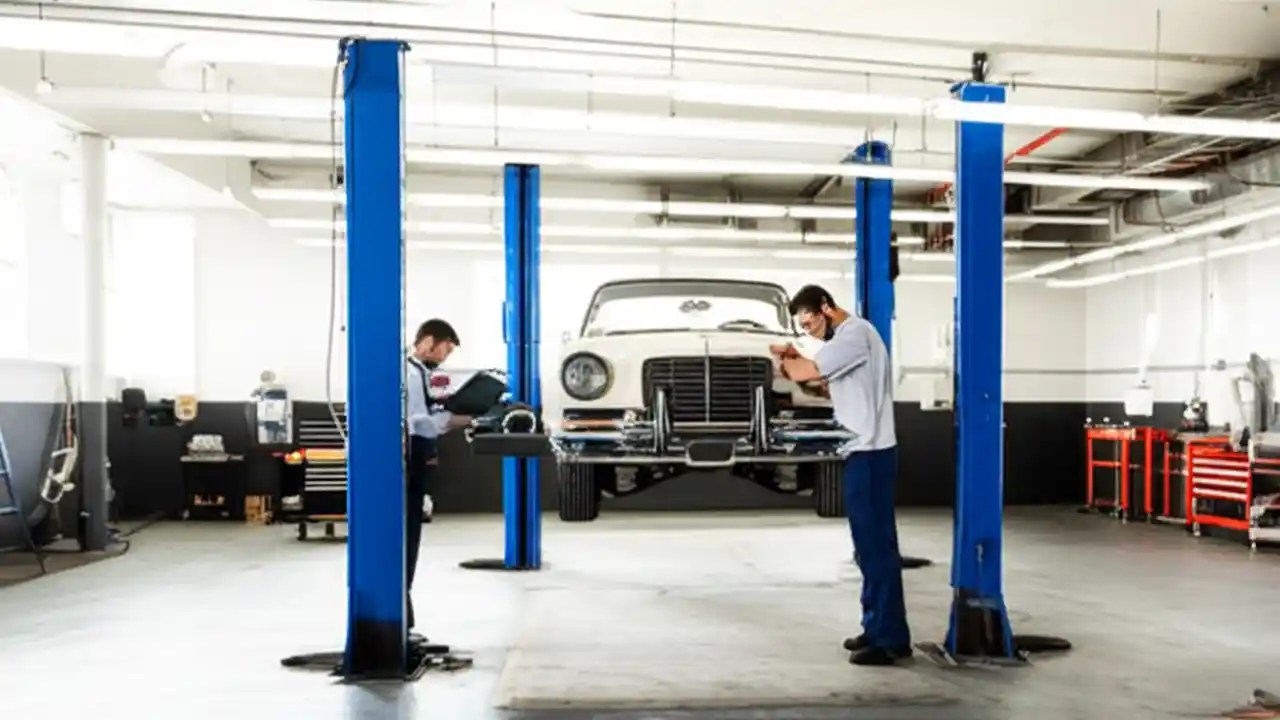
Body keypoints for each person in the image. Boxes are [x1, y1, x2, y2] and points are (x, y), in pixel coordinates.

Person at [770, 285, 911, 667]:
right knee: (868, 547)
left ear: (827, 307)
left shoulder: (855, 334)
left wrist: (782, 358)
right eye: (803, 325)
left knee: (875, 548)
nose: (809, 329)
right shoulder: (850, 339)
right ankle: (877, 626)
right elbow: (821, 379)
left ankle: (889, 639)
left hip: (870, 452)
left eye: (811, 321)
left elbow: (806, 370)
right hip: (863, 450)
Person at [405, 318, 470, 637]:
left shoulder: (421, 374)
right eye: (445, 348)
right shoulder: (412, 373)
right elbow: (418, 422)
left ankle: (404, 613)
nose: (446, 356)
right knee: (406, 536)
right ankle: (399, 612)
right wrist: (456, 419)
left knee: (412, 534)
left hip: (417, 458)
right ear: (428, 341)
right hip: (409, 459)